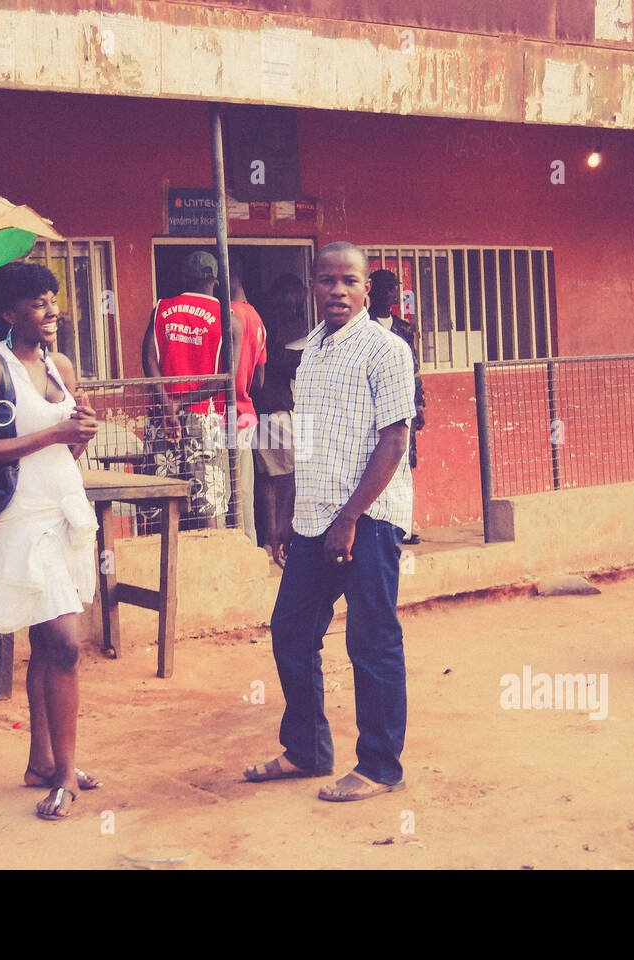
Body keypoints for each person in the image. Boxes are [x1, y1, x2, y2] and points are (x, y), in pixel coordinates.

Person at [243, 242, 415, 802]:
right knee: (291, 630)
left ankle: (381, 766)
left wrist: (350, 518)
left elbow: (395, 440)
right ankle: (308, 749)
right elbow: (308, 441)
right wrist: (287, 513)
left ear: (366, 288)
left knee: (372, 640)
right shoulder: (310, 350)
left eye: (349, 281)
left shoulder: (386, 350)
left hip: (369, 517)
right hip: (316, 516)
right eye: (326, 280)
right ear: (312, 287)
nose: (337, 290)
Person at [0, 261, 101, 821]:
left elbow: (65, 449)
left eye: (53, 300)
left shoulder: (61, 366)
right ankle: (65, 774)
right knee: (65, 644)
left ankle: (41, 760)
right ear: (6, 314)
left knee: (48, 645)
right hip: (23, 519)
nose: (51, 310)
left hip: (65, 511)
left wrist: (80, 434)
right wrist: (59, 431)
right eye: (39, 302)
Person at [140, 251, 242, 529]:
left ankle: (159, 563)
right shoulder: (228, 319)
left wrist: (168, 405)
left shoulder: (162, 308)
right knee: (207, 498)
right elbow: (226, 377)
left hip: (162, 417)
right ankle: (208, 565)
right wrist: (182, 403)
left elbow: (149, 358)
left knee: (160, 495)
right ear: (216, 280)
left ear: (184, 277)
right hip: (204, 418)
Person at [367, 269, 425, 544]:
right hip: (372, 408)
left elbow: (415, 371)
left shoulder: (404, 328)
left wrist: (421, 406)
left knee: (404, 465)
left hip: (403, 407)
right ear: (372, 290)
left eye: (395, 287)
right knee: (374, 462)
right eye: (388, 287)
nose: (393, 292)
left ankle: (405, 527)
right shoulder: (362, 326)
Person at [252, 273, 306, 565]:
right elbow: (272, 360)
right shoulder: (277, 320)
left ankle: (272, 537)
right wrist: (306, 360)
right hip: (277, 407)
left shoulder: (267, 319)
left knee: (269, 476)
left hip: (270, 406)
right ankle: (279, 538)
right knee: (288, 476)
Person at [230, 266, 267, 545]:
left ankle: (231, 550)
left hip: (221, 414)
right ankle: (250, 546)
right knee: (245, 489)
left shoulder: (225, 315)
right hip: (247, 414)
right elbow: (260, 381)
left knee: (221, 489)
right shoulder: (256, 318)